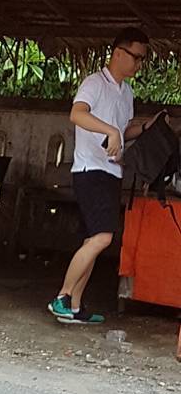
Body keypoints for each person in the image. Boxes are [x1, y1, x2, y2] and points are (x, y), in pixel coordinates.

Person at [49, 28, 151, 325]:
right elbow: (77, 114)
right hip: (90, 169)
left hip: (111, 170)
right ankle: (62, 297)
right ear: (118, 53)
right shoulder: (94, 83)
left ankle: (76, 306)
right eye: (136, 57)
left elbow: (124, 129)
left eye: (142, 60)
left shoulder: (127, 92)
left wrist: (144, 127)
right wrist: (109, 130)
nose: (138, 64)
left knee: (92, 239)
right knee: (103, 237)